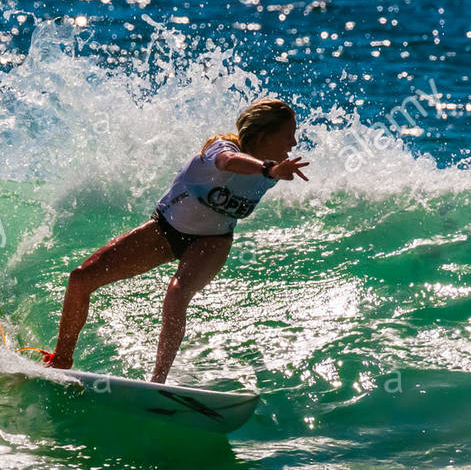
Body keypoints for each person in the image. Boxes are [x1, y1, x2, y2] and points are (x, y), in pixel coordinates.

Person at [46, 98, 310, 383]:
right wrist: (268, 169)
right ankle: (61, 360)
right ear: (264, 134)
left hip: (213, 240)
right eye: (288, 134)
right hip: (165, 229)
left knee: (176, 296)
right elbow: (229, 163)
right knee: (80, 278)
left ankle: (157, 382)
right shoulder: (222, 146)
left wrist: (271, 171)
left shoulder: (274, 172)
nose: (293, 142)